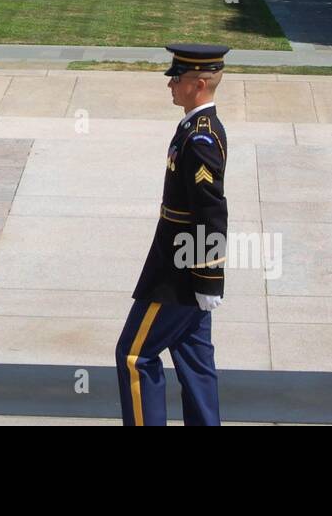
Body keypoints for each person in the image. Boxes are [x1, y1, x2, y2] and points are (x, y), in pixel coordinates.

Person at [116, 43, 229, 425]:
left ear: (198, 84)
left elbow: (211, 211)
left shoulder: (201, 139)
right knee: (194, 359)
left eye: (176, 79)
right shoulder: (197, 128)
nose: (170, 85)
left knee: (134, 356)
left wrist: (209, 278)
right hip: (183, 267)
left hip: (178, 274)